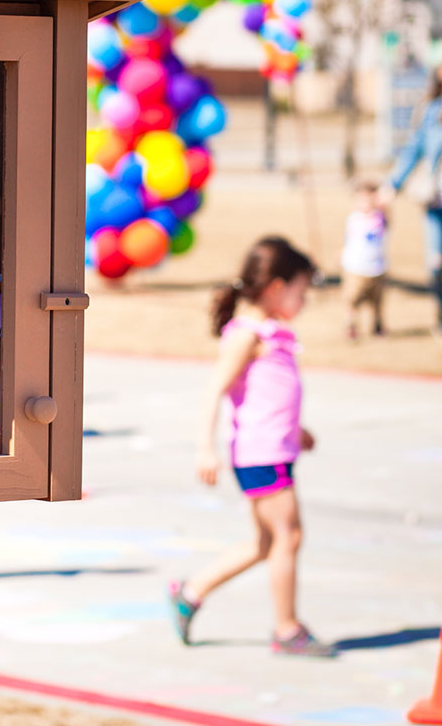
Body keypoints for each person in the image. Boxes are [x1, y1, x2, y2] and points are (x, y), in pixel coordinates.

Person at [167, 236, 335, 657]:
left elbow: (266, 398)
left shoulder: (271, 333)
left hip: (274, 449)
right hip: (262, 454)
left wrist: (298, 429)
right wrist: (205, 448)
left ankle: (190, 592)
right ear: (277, 287)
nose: (304, 301)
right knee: (288, 536)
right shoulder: (249, 334)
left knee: (267, 543)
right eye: (302, 291)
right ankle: (287, 630)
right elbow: (215, 391)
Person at [384, 66, 442, 331]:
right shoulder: (432, 111)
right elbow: (413, 150)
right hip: (436, 201)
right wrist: (392, 184)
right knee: (436, 263)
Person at [341, 179, 389, 340]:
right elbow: (348, 240)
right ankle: (351, 326)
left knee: (377, 301)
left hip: (377, 267)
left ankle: (378, 325)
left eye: (371, 197)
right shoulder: (354, 218)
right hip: (355, 267)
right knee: (352, 300)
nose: (367, 202)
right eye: (362, 198)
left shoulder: (381, 218)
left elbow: (388, 214)